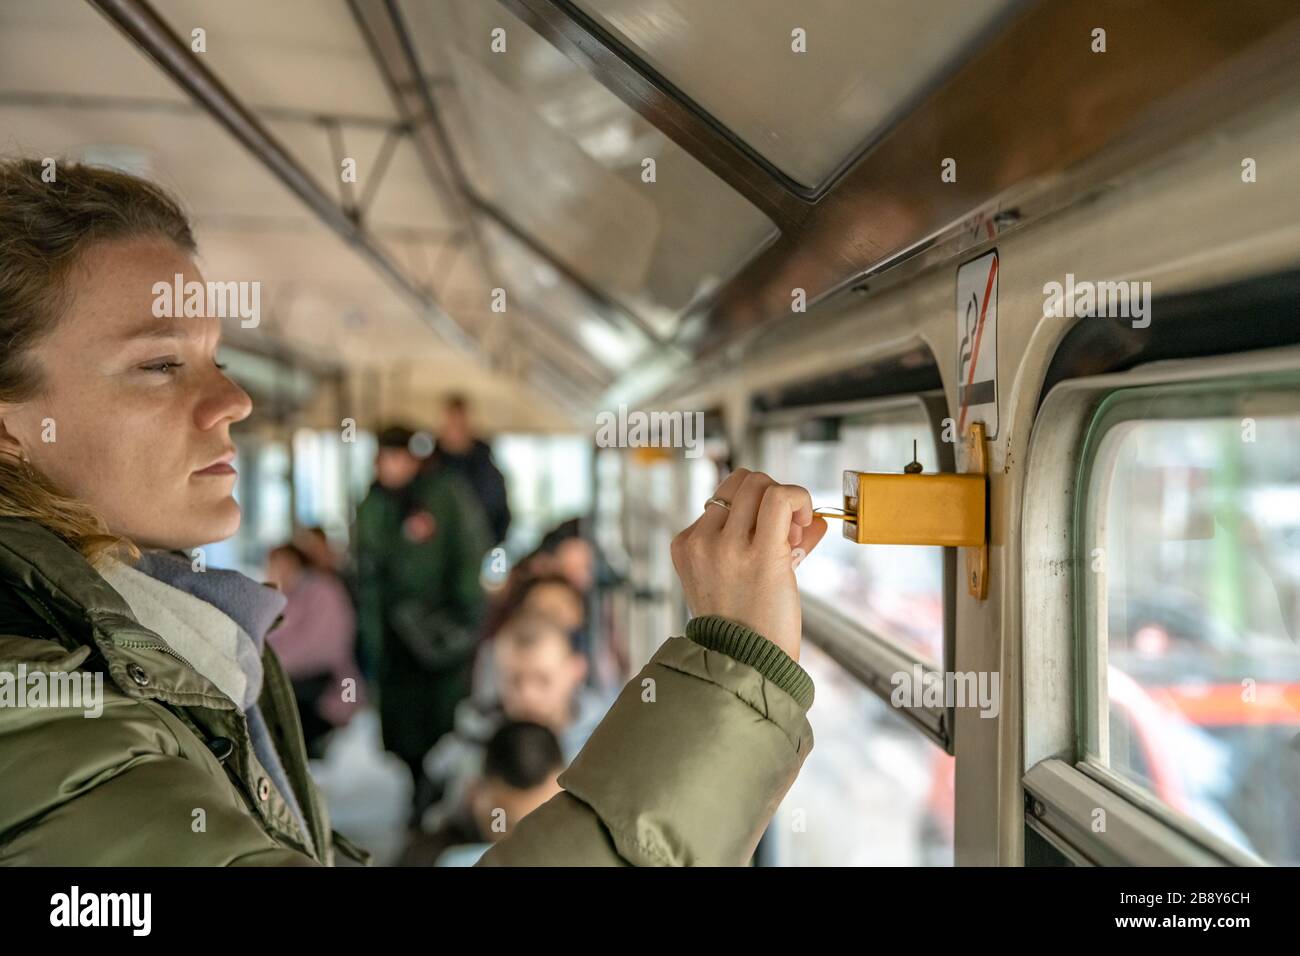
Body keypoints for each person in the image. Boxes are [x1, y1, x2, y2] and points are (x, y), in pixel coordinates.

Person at [0, 158, 826, 866]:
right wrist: (738, 671)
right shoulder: (39, 711)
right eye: (157, 364)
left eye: (218, 357)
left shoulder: (175, 647)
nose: (235, 399)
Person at [354, 424, 492, 821]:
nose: (389, 467)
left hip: (437, 630)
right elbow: (366, 569)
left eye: (397, 457)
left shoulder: (443, 496)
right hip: (390, 634)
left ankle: (433, 787)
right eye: (383, 458)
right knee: (400, 721)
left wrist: (464, 617)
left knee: (439, 713)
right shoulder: (373, 502)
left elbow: (468, 553)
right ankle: (418, 782)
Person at [420, 612, 608, 836]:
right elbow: (434, 822)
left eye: (542, 679)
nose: (528, 695)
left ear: (576, 670)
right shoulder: (468, 745)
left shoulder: (605, 744)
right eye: (514, 680)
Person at [402, 720, 564, 867]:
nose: (530, 842)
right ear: (474, 793)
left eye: (546, 821)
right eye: (505, 824)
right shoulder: (430, 857)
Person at [264, 541, 363, 759]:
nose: (276, 571)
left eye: (282, 564)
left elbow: (323, 646)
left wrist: (271, 662)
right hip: (296, 682)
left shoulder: (322, 591)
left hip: (327, 687)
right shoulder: (280, 598)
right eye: (273, 565)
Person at [433, 394, 512, 547]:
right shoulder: (428, 469)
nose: (455, 430)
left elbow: (500, 515)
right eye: (451, 423)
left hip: (479, 549)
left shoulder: (488, 471)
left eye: (460, 424)